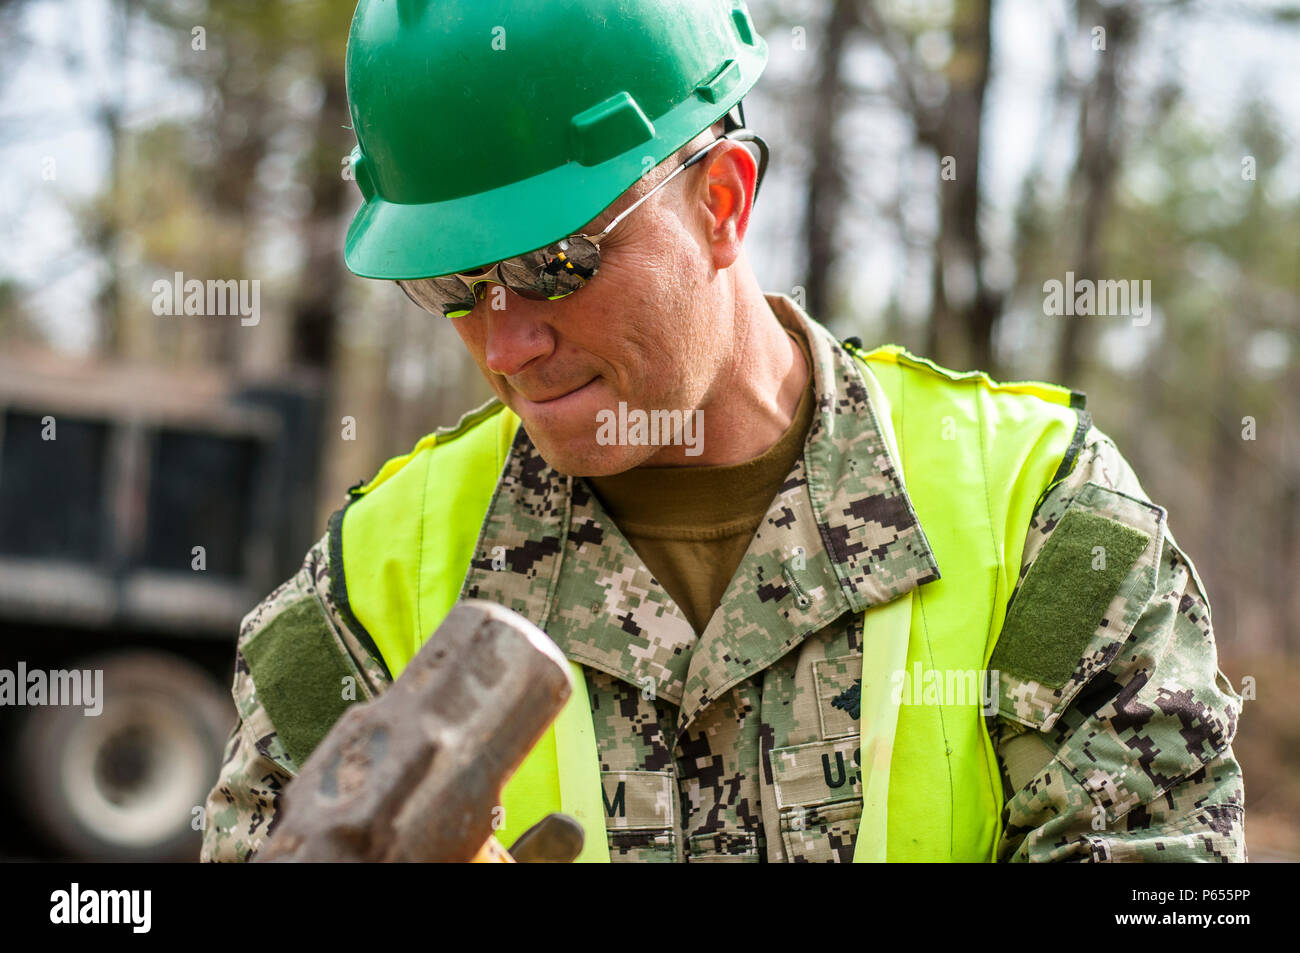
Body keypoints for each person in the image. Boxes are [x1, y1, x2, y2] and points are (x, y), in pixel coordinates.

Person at [200, 0, 1245, 862]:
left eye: (551, 263)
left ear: (723, 201)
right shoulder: (368, 588)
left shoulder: (1041, 524)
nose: (505, 342)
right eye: (452, 284)